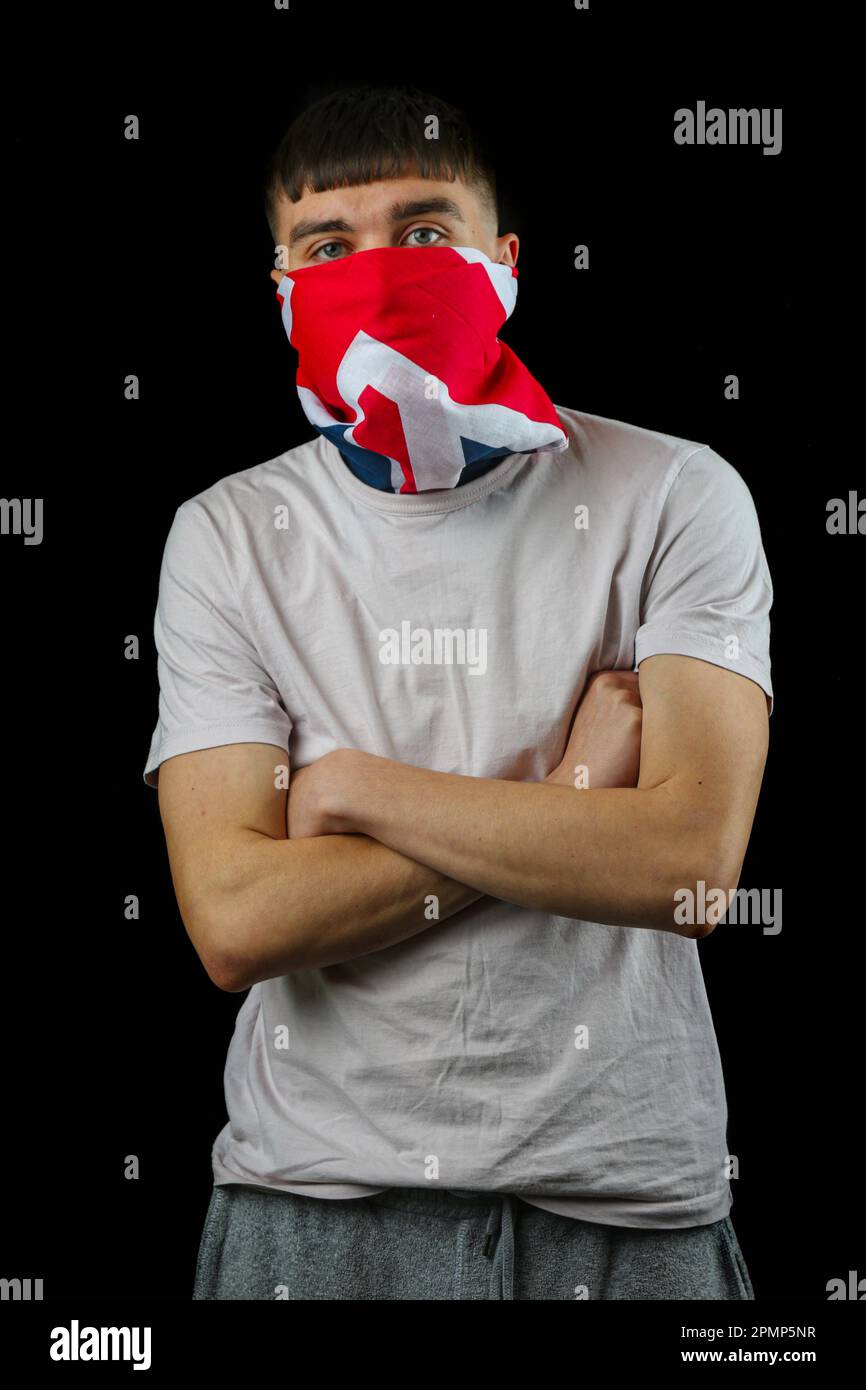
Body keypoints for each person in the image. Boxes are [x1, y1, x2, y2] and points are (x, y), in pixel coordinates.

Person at [143, 83, 772, 1300]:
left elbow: (687, 864)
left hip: (627, 1209)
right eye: (328, 247)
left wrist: (356, 793)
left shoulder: (675, 494)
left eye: (424, 234)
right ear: (279, 285)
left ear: (503, 259)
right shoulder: (228, 536)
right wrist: (579, 790)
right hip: (315, 1209)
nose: (377, 274)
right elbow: (235, 922)